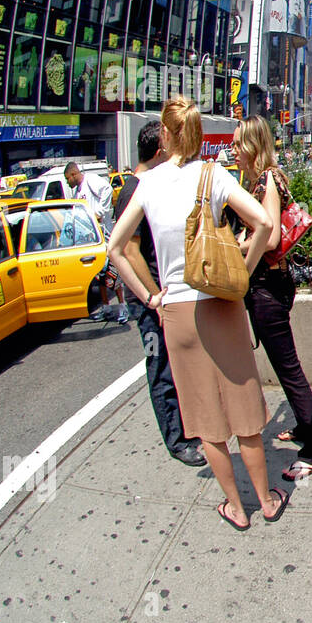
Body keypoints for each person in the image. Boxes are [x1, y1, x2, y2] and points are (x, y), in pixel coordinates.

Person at [107, 98, 288, 530]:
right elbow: (264, 224)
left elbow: (115, 249)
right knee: (244, 406)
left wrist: (151, 297)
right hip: (220, 304)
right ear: (199, 136)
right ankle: (265, 499)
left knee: (205, 417)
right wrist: (240, 277)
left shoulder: (146, 185)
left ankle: (235, 508)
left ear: (165, 136)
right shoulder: (214, 175)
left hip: (177, 312)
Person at [231, 116, 312, 481]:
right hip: (270, 286)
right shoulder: (265, 178)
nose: (233, 150)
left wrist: (234, 245)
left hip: (267, 288)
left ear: (253, 145)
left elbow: (270, 240)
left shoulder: (267, 181)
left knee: (289, 373)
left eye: (238, 143)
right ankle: (306, 430)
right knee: (285, 369)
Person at [113, 121, 206, 468]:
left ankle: (187, 427)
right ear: (159, 151)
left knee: (176, 364)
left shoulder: (149, 185)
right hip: (148, 302)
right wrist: (156, 297)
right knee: (160, 366)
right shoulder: (134, 189)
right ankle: (176, 438)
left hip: (161, 296)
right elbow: (129, 251)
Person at [65, 161, 128, 323]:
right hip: (91, 240)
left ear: (73, 174)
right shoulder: (77, 192)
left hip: (104, 236)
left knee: (113, 273)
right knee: (99, 275)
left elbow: (107, 189)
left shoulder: (90, 180)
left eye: (67, 179)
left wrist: (100, 212)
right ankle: (106, 308)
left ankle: (122, 308)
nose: (67, 182)